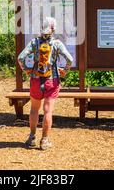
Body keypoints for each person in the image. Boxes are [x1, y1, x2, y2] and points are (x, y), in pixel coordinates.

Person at [18, 17, 73, 150]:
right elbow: (69, 59)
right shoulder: (57, 44)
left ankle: (32, 138)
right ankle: (44, 140)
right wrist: (63, 71)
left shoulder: (34, 42)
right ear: (53, 29)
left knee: (34, 109)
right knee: (48, 111)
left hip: (36, 80)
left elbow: (20, 58)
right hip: (51, 81)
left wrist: (27, 70)